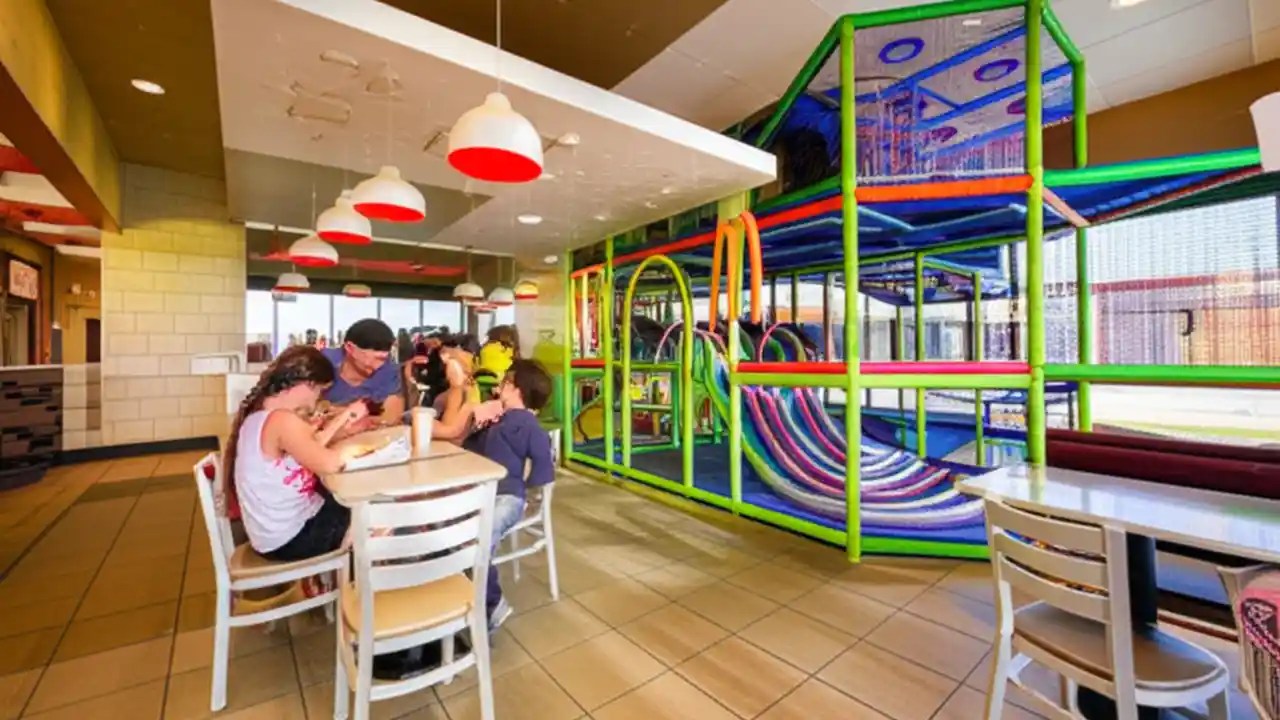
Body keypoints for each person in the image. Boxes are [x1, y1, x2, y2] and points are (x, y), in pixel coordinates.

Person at [223, 345, 369, 561]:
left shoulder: (259, 416)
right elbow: (329, 463)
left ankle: (332, 578)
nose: (317, 400)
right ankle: (357, 584)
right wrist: (349, 450)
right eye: (319, 390)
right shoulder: (282, 420)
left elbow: (310, 447)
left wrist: (343, 417)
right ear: (306, 383)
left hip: (274, 535)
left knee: (342, 499)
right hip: (293, 538)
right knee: (371, 510)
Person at [463, 358, 555, 628]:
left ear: (518, 390)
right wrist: (478, 419)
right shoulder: (497, 418)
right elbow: (472, 448)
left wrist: (529, 495)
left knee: (477, 539)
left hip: (507, 495)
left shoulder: (529, 426)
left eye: (506, 382)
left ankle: (488, 603)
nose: (500, 386)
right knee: (466, 537)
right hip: (483, 493)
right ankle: (479, 603)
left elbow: (543, 467)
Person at [321, 318, 404, 428]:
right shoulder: (322, 363)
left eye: (384, 359)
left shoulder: (388, 371)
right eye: (376, 359)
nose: (378, 366)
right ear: (350, 348)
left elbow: (391, 418)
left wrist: (347, 415)